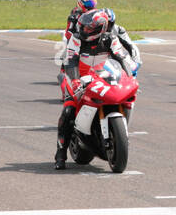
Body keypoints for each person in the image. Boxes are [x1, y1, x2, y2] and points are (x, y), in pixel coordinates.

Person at [54, 9, 137, 169]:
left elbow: (121, 57)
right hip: (77, 78)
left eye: (88, 28)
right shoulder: (77, 39)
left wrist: (129, 75)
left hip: (102, 77)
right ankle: (60, 153)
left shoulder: (110, 38)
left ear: (99, 29)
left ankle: (117, 133)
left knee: (123, 96)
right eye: (83, 27)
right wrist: (76, 81)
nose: (83, 30)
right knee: (69, 110)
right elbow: (70, 61)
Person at [63, 0, 98, 80]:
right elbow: (69, 32)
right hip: (76, 38)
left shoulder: (96, 15)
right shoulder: (74, 16)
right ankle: (65, 70)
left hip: (91, 38)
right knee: (70, 53)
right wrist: (77, 38)